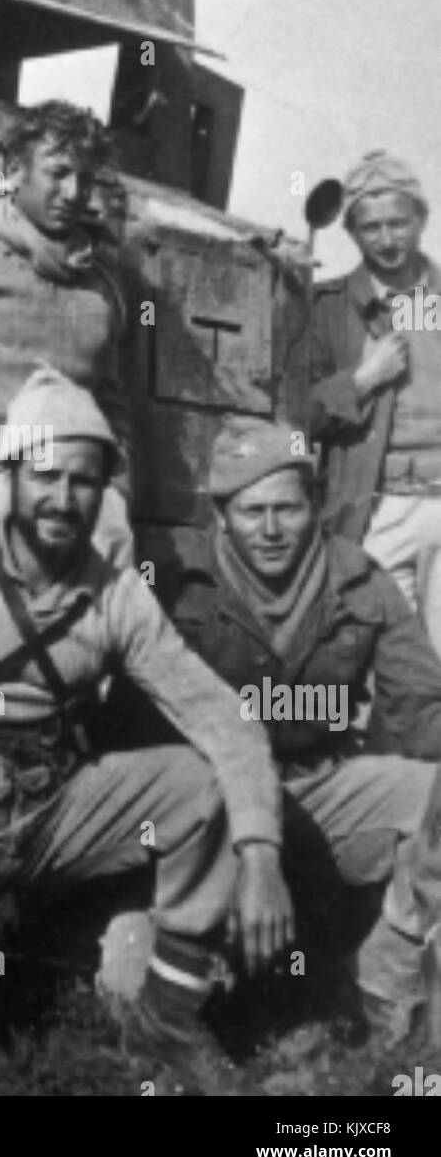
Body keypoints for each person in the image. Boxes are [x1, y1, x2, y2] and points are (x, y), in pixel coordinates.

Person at [0, 368, 291, 1094]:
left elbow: (223, 718)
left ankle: (164, 1015)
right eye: (45, 476)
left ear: (103, 489)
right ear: (10, 474)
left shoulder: (116, 596)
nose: (62, 500)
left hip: (53, 814)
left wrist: (261, 855)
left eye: (83, 481)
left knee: (203, 785)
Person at [145, 414, 441, 1044]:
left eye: (289, 508)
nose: (273, 530)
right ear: (222, 514)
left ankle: (386, 961)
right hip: (210, 818)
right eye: (253, 512)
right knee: (129, 982)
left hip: (320, 797)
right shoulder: (175, 580)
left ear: (317, 507)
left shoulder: (360, 581)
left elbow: (421, 710)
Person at [0, 99, 135, 566]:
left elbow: (113, 399)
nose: (73, 192)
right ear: (16, 170)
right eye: (57, 173)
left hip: (81, 483)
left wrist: (116, 490)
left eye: (85, 177)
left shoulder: (103, 283)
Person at [310, 150, 441, 655]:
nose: (387, 240)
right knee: (370, 654)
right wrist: (361, 380)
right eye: (371, 228)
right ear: (352, 233)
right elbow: (295, 419)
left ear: (422, 220)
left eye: (399, 224)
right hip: (374, 508)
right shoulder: (328, 308)